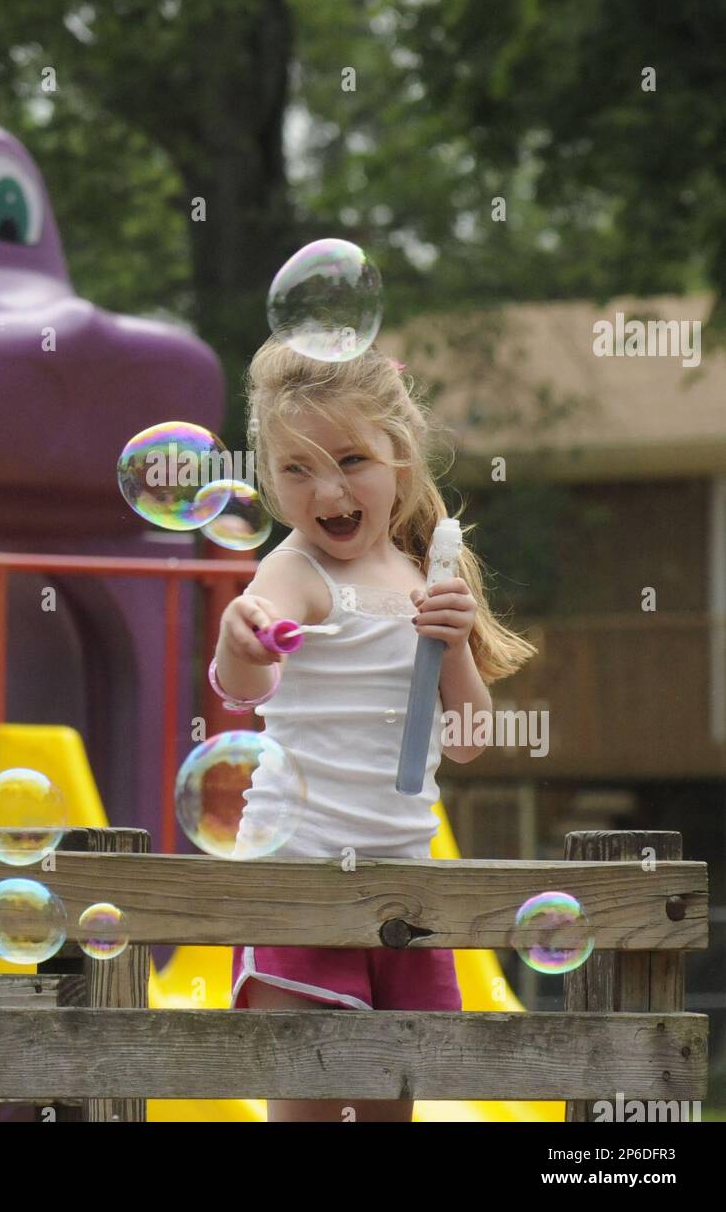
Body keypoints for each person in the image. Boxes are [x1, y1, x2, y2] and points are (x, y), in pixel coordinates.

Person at [210, 337, 538, 1123]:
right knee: (313, 1109)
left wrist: (454, 644)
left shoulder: (425, 576)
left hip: (402, 894)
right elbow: (243, 683)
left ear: (401, 456)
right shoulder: (294, 571)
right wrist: (239, 636)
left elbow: (464, 740)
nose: (326, 492)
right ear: (270, 479)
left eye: (350, 459)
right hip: (300, 883)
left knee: (391, 1111)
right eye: (296, 470)